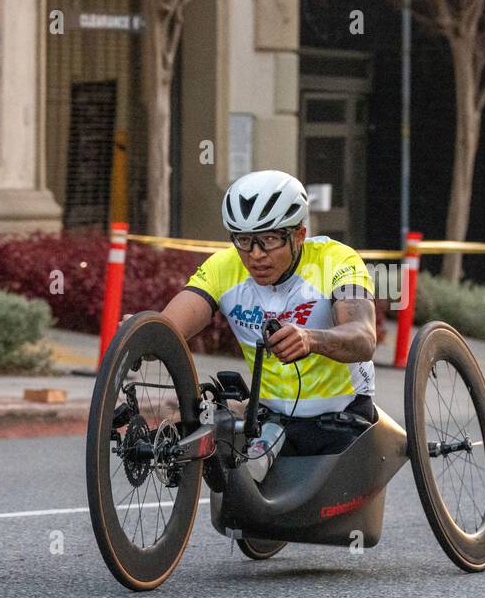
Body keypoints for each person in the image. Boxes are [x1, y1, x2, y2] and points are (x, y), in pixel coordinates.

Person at [160, 169, 379, 458]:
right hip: (267, 421)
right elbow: (168, 328)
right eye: (244, 240)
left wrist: (311, 339)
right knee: (230, 483)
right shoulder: (223, 267)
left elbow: (363, 337)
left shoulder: (337, 260)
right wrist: (143, 333)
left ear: (299, 235)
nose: (256, 254)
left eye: (270, 239)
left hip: (343, 417)